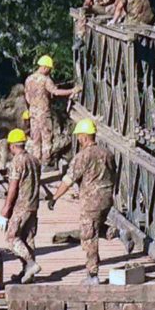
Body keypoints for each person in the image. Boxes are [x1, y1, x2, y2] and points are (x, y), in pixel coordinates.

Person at [48, 119, 116, 285]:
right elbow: (115, 174)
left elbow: (68, 180)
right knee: (95, 227)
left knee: (88, 237)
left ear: (84, 136)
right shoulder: (108, 153)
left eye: (79, 136)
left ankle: (92, 275)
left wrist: (55, 197)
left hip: (90, 202)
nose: (78, 139)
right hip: (107, 198)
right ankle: (118, 233)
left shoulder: (83, 156)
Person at [0, 128, 42, 284]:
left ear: (13, 146)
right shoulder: (34, 160)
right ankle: (27, 273)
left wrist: (6, 209)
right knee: (27, 238)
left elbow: (13, 186)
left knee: (12, 238)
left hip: (21, 205)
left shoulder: (17, 161)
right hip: (33, 205)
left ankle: (30, 264)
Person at [24, 55, 81, 168]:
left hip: (33, 113)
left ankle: (36, 162)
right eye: (49, 69)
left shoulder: (29, 79)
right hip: (44, 113)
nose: (50, 72)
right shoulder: (46, 80)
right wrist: (72, 90)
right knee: (46, 138)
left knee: (36, 138)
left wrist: (33, 105)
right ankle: (46, 163)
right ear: (45, 67)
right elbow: (56, 92)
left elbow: (26, 96)